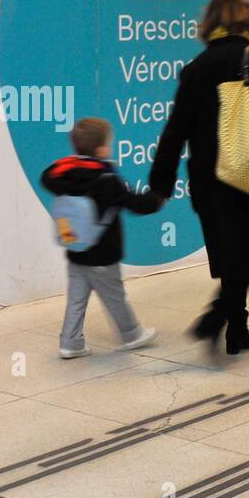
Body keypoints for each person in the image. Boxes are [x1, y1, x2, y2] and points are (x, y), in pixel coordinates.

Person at [149, 0, 249, 355]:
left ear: (211, 21)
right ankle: (216, 317)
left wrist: (160, 183)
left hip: (209, 182)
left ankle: (237, 330)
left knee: (231, 255)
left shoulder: (197, 66)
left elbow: (175, 129)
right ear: (246, 20)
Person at [41, 118, 160, 359]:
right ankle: (132, 334)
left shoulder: (65, 173)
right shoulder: (106, 178)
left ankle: (70, 342)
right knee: (114, 296)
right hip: (103, 253)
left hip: (75, 248)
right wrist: (157, 200)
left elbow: (47, 176)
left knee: (76, 299)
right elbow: (134, 203)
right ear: (102, 149)